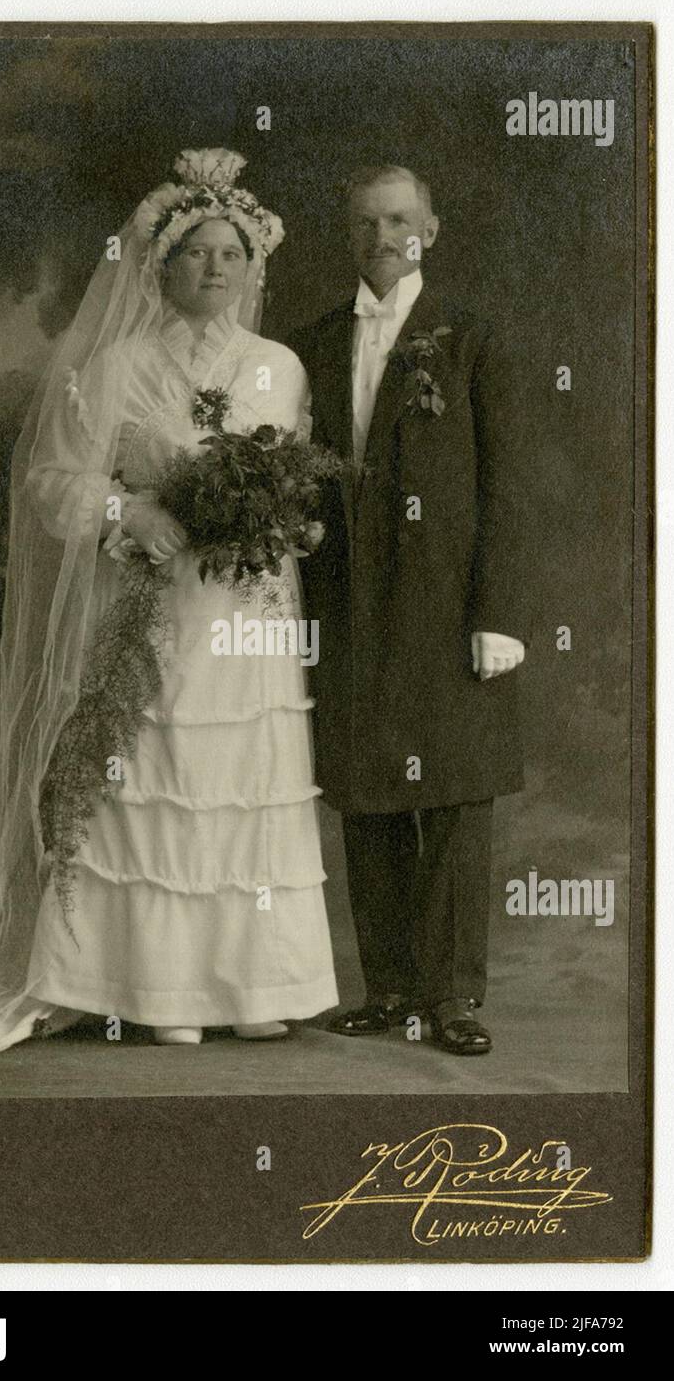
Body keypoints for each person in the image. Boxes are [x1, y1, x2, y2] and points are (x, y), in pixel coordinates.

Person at [0, 148, 338, 1066]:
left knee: (243, 780)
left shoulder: (279, 367)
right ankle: (155, 986)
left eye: (229, 254)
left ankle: (252, 984)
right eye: (194, 253)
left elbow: (294, 481)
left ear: (251, 267)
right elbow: (52, 482)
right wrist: (125, 509)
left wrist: (277, 517)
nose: (213, 269)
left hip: (248, 612)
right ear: (159, 267)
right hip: (150, 603)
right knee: (156, 771)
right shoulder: (114, 367)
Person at [291, 164, 530, 1056]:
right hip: (350, 606)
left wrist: (497, 616)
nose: (381, 236)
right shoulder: (311, 344)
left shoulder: (473, 338)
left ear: (431, 225)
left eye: (398, 219)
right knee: (369, 796)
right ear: (347, 236)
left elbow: (508, 487)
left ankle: (453, 998)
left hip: (448, 607)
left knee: (457, 800)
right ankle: (388, 988)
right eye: (362, 223)